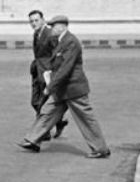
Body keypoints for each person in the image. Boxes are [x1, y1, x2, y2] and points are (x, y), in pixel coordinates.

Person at [17, 15, 110, 158]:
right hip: (62, 90)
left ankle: (100, 149)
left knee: (86, 119)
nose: (51, 29)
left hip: (74, 89)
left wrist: (50, 86)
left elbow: (65, 69)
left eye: (53, 26)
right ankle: (32, 140)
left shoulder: (71, 42)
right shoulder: (61, 41)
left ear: (62, 27)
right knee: (47, 112)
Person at [28, 10, 68, 140]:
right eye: (31, 21)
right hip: (37, 72)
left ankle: (42, 133)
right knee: (34, 102)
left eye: (36, 20)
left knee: (42, 103)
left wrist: (54, 71)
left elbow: (57, 53)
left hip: (47, 73)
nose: (34, 23)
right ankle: (59, 121)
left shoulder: (50, 34)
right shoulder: (36, 34)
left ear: (43, 20)